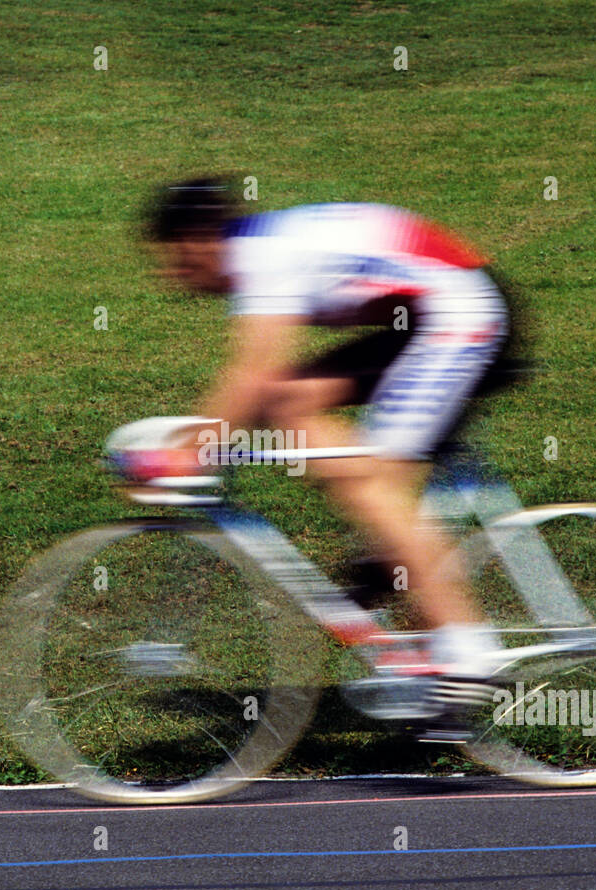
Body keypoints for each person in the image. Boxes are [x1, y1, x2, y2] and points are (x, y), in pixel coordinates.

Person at [143, 178, 522, 712]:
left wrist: (185, 454)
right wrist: (199, 442)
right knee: (289, 404)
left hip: (459, 315)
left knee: (373, 484)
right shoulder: (261, 248)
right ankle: (395, 570)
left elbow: (252, 369)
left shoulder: (261, 257)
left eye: (174, 258)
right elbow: (261, 390)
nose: (171, 275)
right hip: (427, 313)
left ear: (200, 239)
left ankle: (467, 651)